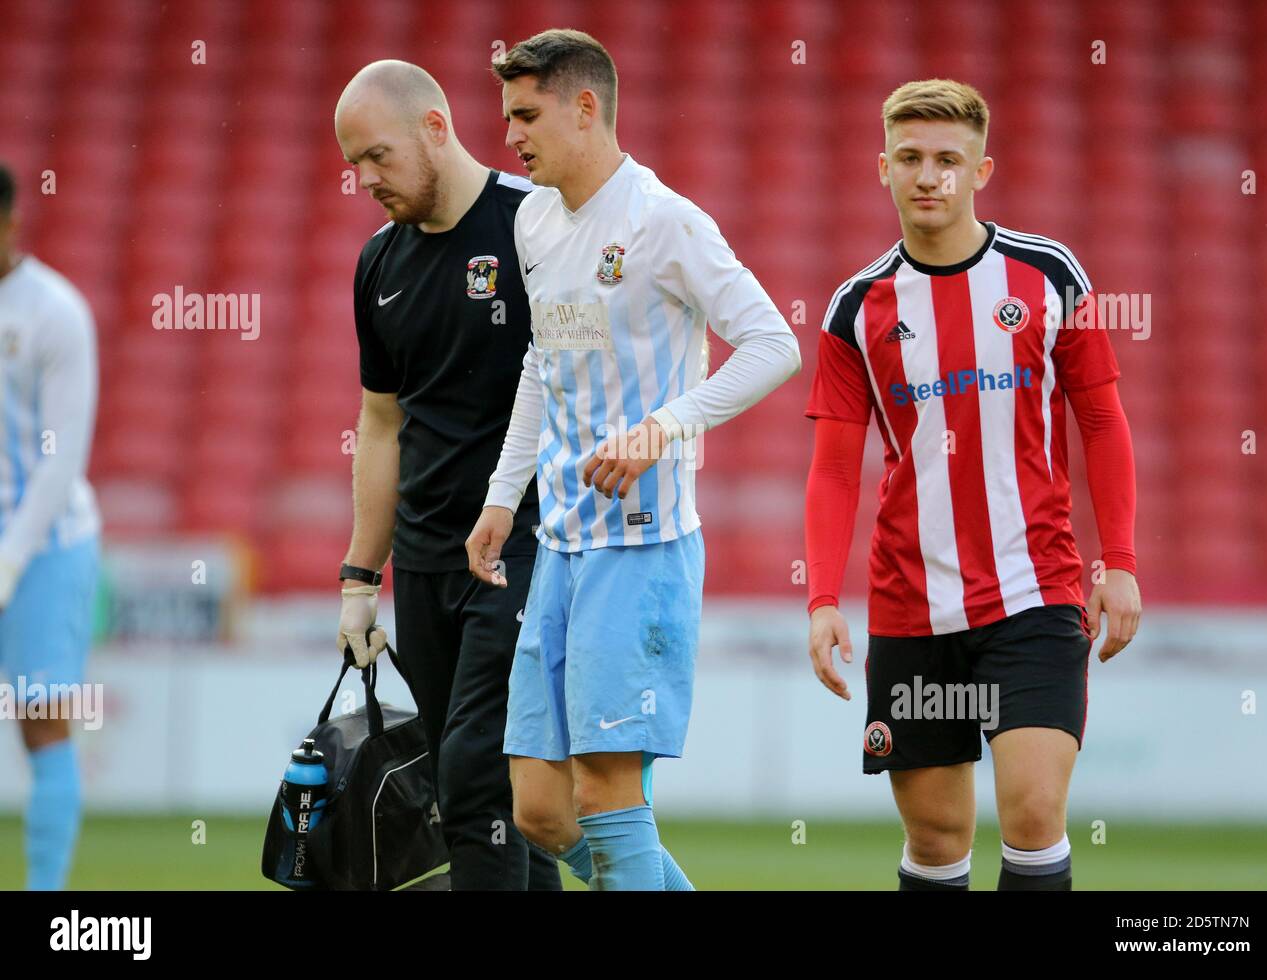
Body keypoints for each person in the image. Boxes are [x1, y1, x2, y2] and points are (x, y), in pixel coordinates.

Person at [466, 29, 802, 890]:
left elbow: (773, 343)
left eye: (526, 114)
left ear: (587, 109)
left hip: (642, 545)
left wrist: (669, 425)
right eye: (508, 115)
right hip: (563, 546)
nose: (511, 135)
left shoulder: (665, 222)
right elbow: (544, 360)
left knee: (610, 794)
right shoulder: (535, 221)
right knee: (540, 807)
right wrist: (505, 497)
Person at [804, 79, 1141, 890]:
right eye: (911, 158)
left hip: (1035, 593)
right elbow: (836, 468)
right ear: (881, 167)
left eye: (949, 160)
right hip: (911, 606)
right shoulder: (856, 309)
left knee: (1031, 814)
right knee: (938, 840)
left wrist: (1120, 560)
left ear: (981, 170)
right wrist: (820, 597)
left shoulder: (1050, 274)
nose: (930, 176)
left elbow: (1102, 421)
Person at [334, 61, 559, 891]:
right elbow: (382, 424)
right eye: (354, 163)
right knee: (504, 803)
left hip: (523, 550)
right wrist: (361, 576)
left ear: (435, 127)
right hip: (425, 569)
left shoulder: (537, 225)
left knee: (473, 775)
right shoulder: (378, 264)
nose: (364, 181)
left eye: (378, 156)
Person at [0, 162, 101, 890]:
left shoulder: (53, 312)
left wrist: (8, 563)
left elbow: (59, 460)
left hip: (46, 549)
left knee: (42, 723)